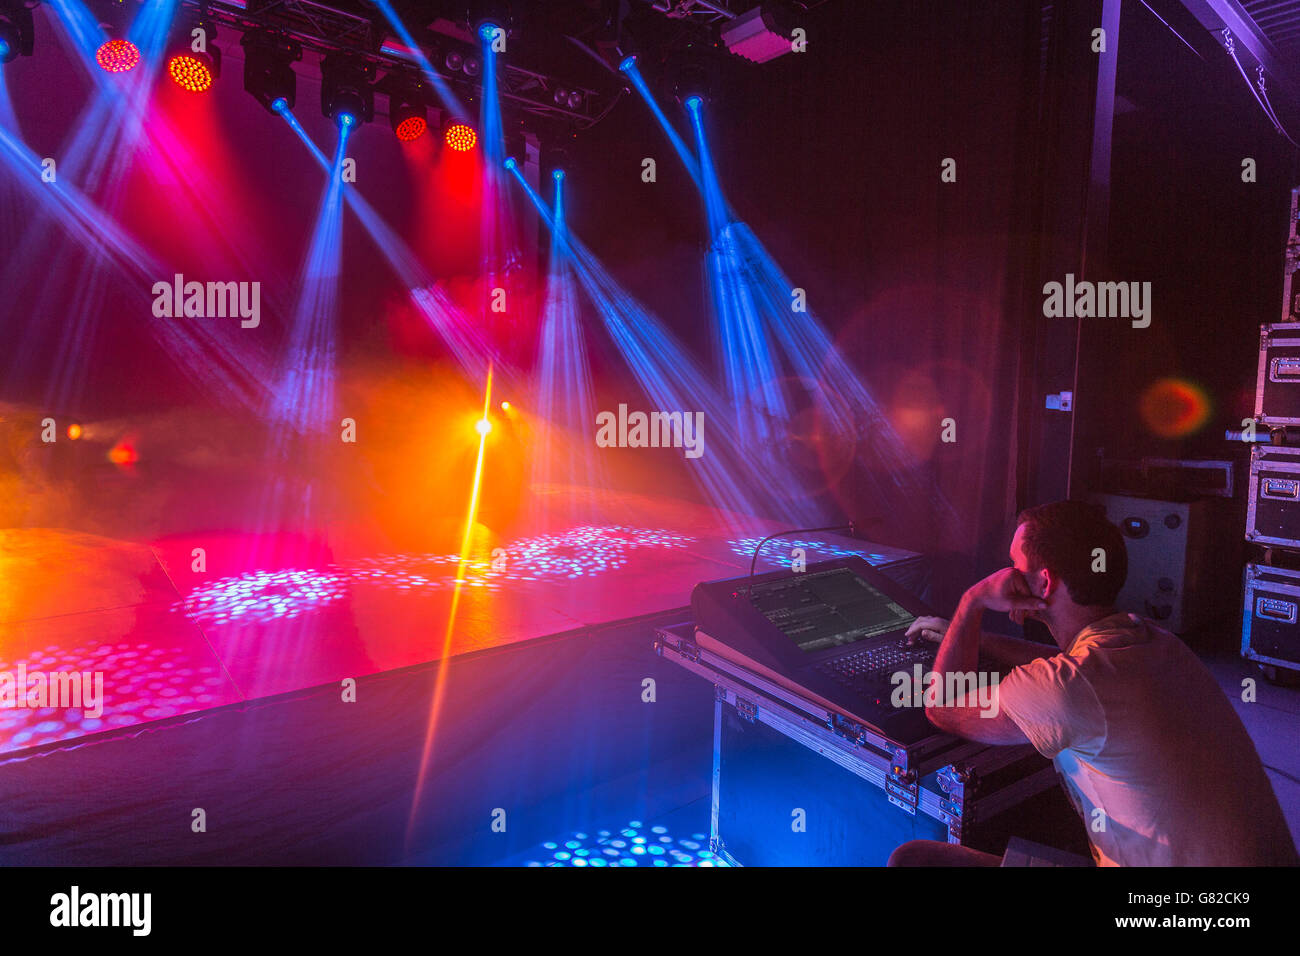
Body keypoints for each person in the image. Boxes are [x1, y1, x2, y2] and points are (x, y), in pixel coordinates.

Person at [888, 499, 1298, 867]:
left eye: (1014, 566)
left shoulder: (1064, 689)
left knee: (916, 861)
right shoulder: (1152, 640)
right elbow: (1069, 669)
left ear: (1043, 583)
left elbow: (941, 708)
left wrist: (971, 604)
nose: (1005, 576)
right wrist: (968, 637)